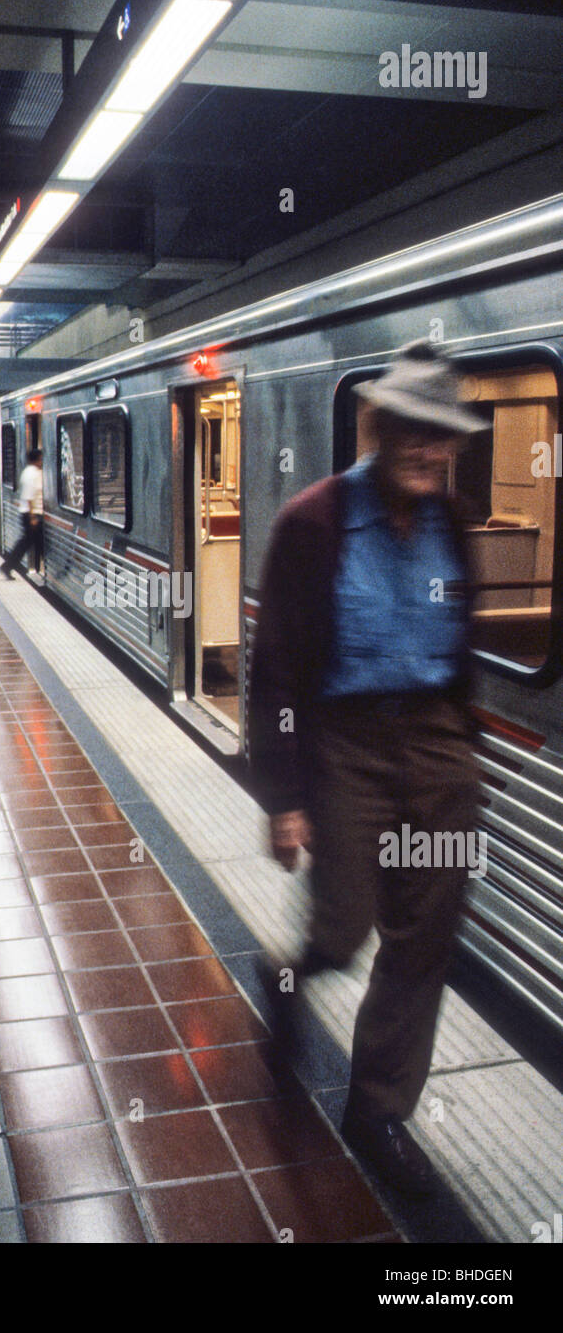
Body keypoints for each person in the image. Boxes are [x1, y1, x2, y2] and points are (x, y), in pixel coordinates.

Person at [248, 341, 487, 1196]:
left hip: (433, 747)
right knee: (344, 925)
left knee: (425, 937)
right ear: (382, 429)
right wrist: (282, 798)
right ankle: (289, 976)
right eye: (417, 432)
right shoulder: (312, 524)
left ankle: (378, 1108)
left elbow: (458, 645)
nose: (432, 451)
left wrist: (461, 747)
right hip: (344, 745)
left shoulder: (449, 522)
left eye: (446, 437)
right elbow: (274, 667)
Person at [0, 449, 43, 579]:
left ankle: (7, 567)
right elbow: (29, 497)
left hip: (30, 514)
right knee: (26, 543)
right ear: (35, 460)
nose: (42, 461)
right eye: (40, 459)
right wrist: (33, 518)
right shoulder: (32, 474)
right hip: (31, 514)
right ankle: (7, 567)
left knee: (32, 543)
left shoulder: (28, 472)